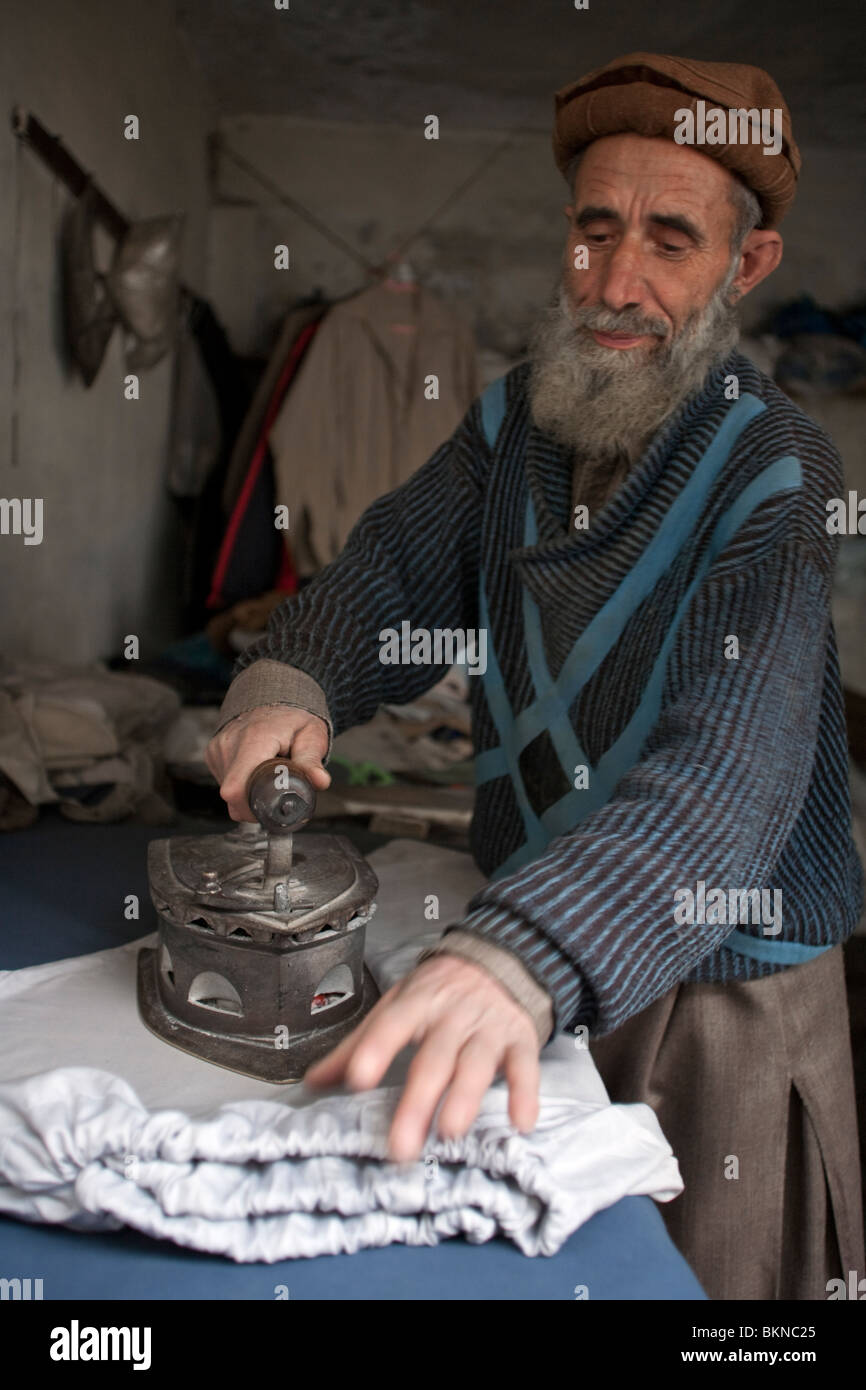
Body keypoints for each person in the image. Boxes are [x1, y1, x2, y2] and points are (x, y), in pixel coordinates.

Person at [206, 53, 864, 1300]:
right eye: (593, 230)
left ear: (746, 265)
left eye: (670, 239)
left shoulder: (778, 466)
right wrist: (285, 683)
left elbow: (731, 774)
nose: (615, 283)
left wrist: (521, 955)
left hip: (720, 987)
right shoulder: (511, 423)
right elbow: (383, 579)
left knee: (710, 1294)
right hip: (527, 946)